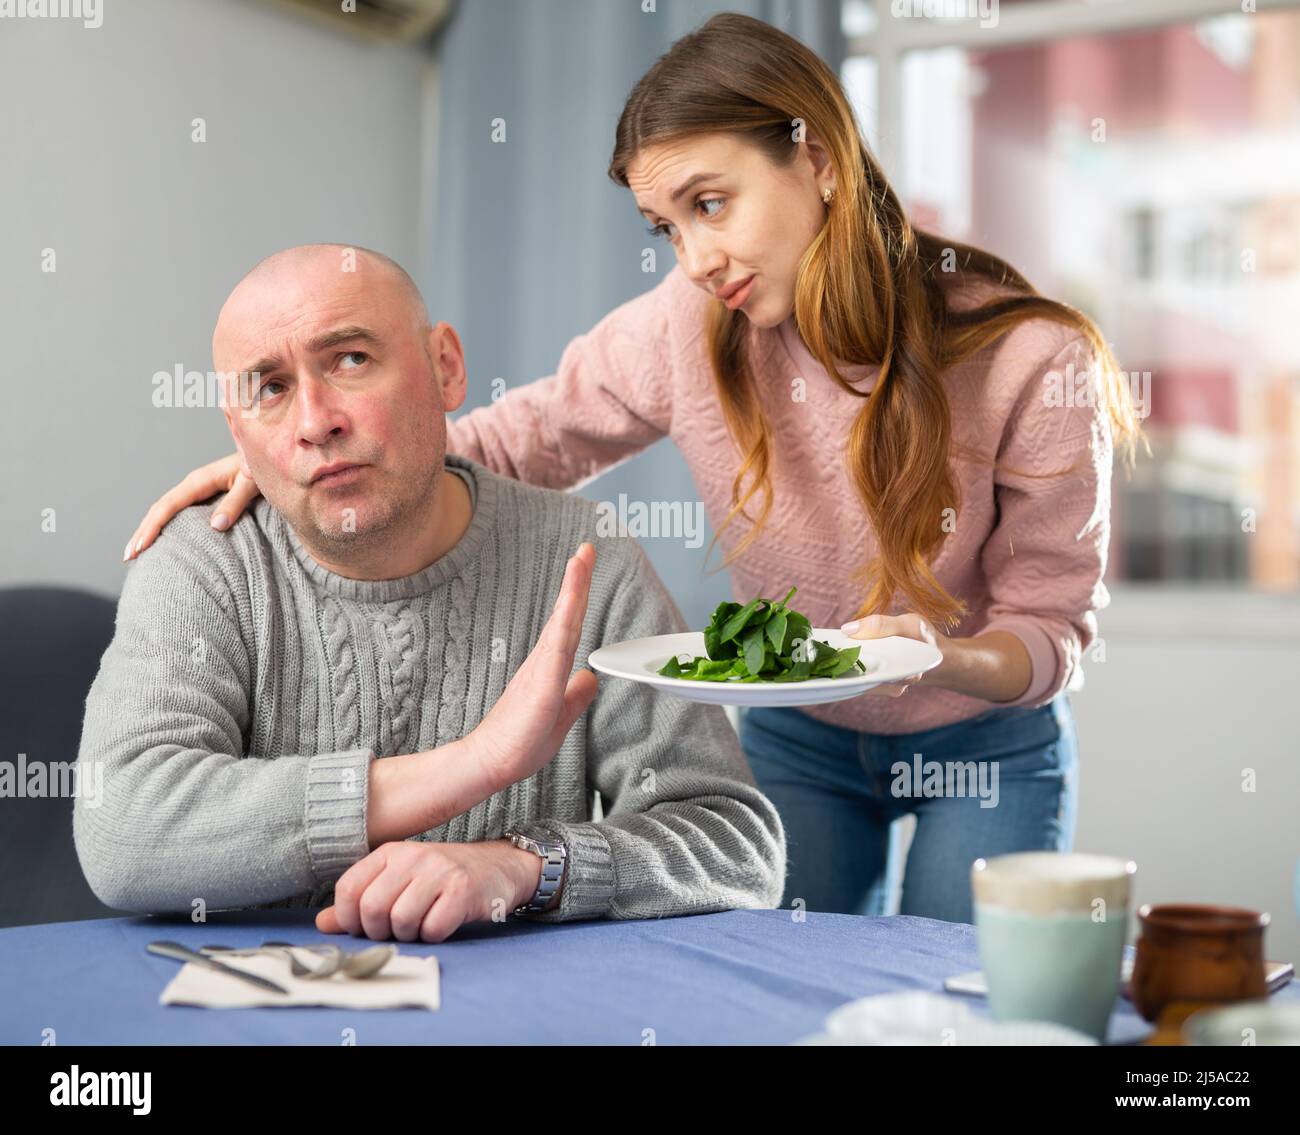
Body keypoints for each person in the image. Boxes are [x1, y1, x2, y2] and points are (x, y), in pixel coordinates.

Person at [119, 13, 1146, 925]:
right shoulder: (686, 328)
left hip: (985, 742)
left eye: (711, 203)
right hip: (799, 732)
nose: (694, 259)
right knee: (782, 996)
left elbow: (1050, 626)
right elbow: (522, 438)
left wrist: (939, 652)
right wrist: (304, 457)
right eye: (666, 227)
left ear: (819, 158)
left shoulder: (1028, 361)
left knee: (965, 996)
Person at [74, 243, 784, 943]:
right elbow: (123, 828)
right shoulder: (203, 562)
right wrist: (472, 766)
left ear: (445, 367)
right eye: (271, 388)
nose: (316, 421)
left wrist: (522, 869)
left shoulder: (585, 559)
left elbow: (735, 845)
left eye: (350, 359)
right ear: (239, 433)